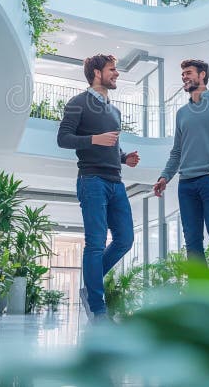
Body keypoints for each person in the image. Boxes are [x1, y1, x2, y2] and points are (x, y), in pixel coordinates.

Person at [57, 54, 139, 321]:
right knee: (95, 243)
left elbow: (111, 146)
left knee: (125, 239)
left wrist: (124, 157)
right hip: (91, 180)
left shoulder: (114, 110)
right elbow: (63, 139)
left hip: (116, 182)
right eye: (112, 70)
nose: (116, 74)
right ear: (96, 73)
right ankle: (97, 307)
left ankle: (90, 284)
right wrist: (94, 139)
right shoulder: (77, 103)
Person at [154, 59, 209, 266]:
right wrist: (164, 177)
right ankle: (199, 292)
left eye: (188, 73)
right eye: (183, 74)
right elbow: (177, 151)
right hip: (186, 185)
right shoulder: (181, 114)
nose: (184, 77)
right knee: (192, 240)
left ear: (202, 75)